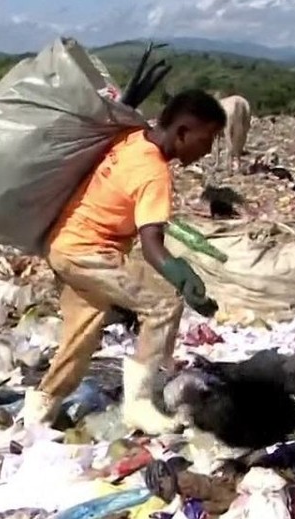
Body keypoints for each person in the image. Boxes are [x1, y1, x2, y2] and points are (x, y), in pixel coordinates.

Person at [22, 89, 228, 433]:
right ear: (182, 132)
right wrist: (182, 277)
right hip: (89, 251)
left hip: (62, 243)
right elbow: (151, 245)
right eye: (207, 139)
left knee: (82, 332)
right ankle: (140, 404)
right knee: (163, 303)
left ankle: (40, 410)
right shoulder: (154, 174)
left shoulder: (132, 139)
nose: (207, 150)